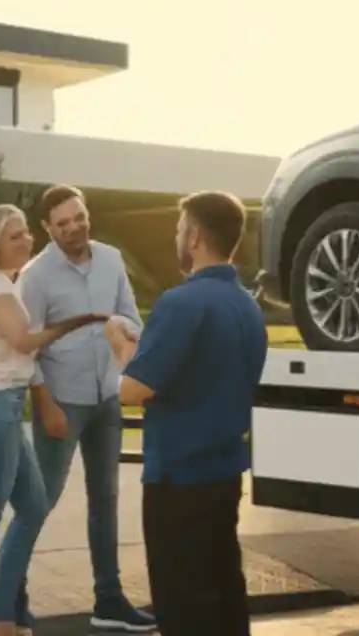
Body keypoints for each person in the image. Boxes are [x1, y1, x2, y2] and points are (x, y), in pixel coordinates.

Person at [107, 190, 269, 636]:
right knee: (225, 593)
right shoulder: (248, 306)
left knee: (182, 608)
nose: (176, 238)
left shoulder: (181, 303)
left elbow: (135, 389)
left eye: (179, 230)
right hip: (225, 473)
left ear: (194, 236)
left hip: (178, 480)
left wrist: (119, 345)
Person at [0, 203, 106, 636]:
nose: (26, 240)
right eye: (15, 235)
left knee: (33, 506)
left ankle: (4, 619)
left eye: (25, 233)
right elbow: (23, 341)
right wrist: (79, 321)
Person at [12, 185, 156, 632]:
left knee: (106, 499)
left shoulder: (111, 260)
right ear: (47, 228)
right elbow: (25, 349)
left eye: (79, 217)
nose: (74, 227)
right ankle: (10, 594)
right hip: (62, 402)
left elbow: (132, 317)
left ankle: (108, 600)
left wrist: (120, 329)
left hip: (106, 398)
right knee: (42, 498)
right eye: (63, 223)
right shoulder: (35, 276)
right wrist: (46, 405)